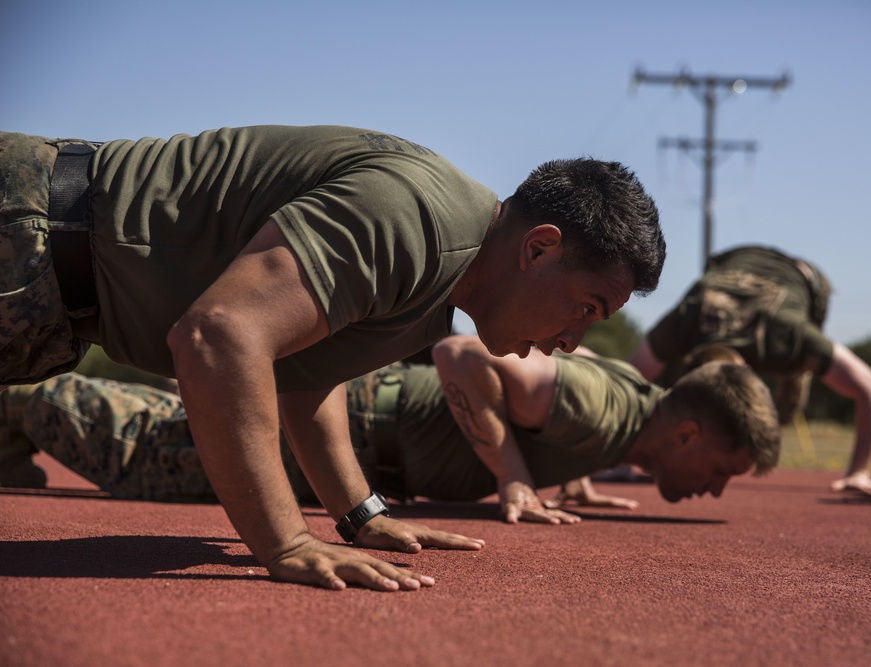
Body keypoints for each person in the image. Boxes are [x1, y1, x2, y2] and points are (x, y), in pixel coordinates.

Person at [0, 126, 666, 591]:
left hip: (51, 286)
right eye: (587, 306)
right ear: (540, 249)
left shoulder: (439, 291)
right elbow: (220, 338)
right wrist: (285, 543)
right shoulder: (419, 222)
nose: (574, 344)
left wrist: (360, 514)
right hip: (26, 231)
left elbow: (300, 376)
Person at [1, 335, 780, 524]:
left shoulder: (621, 420)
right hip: (355, 428)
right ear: (686, 434)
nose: (715, 485)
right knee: (141, 451)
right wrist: (511, 472)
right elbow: (460, 352)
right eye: (724, 466)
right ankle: (11, 397)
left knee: (158, 435)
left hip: (369, 439)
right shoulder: (604, 407)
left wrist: (562, 477)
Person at [628, 244, 871, 497]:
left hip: (802, 278)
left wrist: (858, 473)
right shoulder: (686, 320)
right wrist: (630, 453)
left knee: (787, 404)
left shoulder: (789, 337)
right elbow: (629, 381)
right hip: (729, 261)